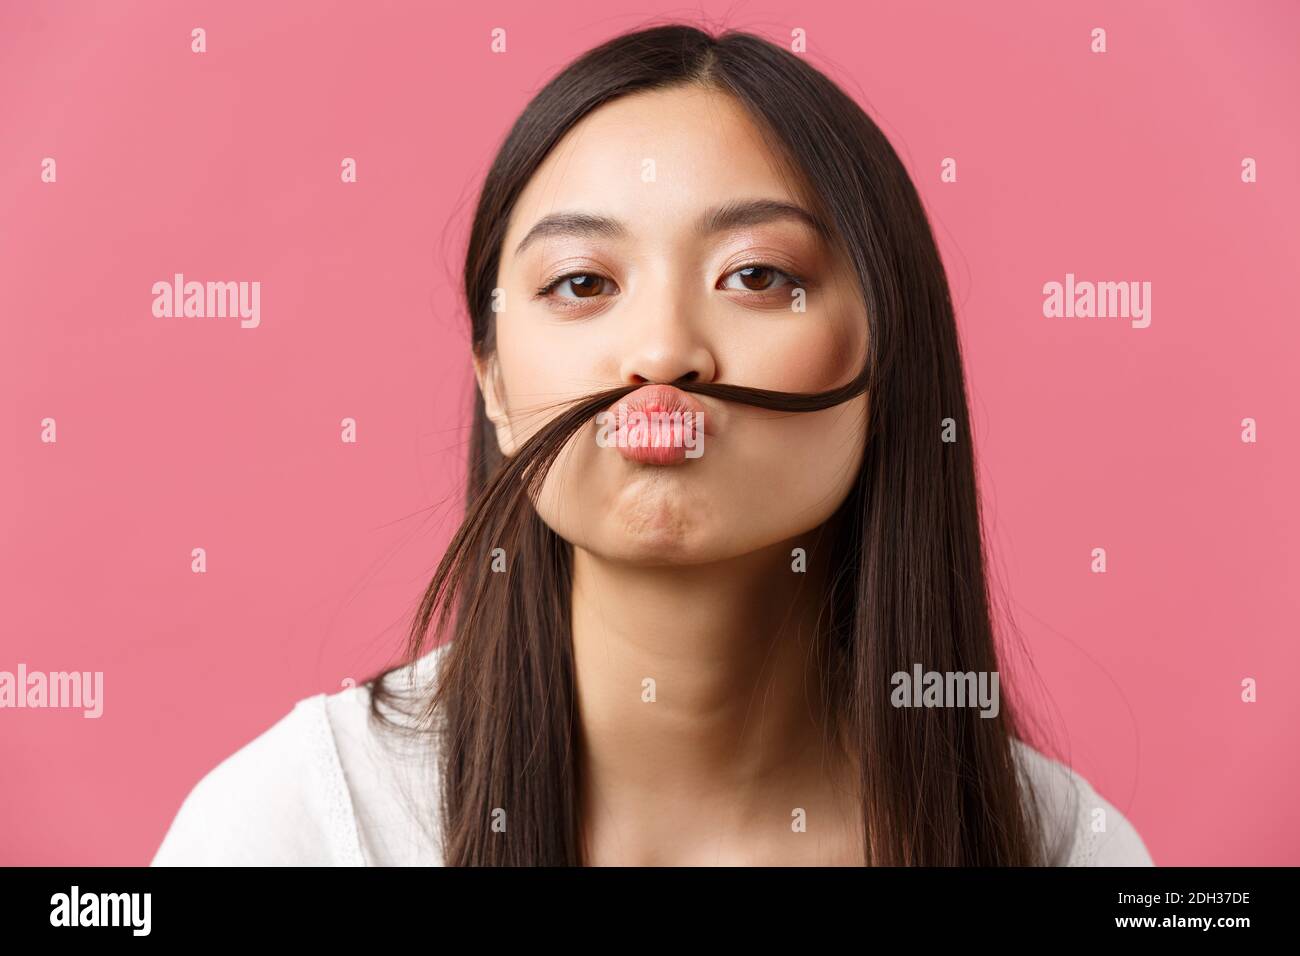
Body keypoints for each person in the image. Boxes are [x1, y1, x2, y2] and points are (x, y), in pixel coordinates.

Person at [153, 23, 1154, 867]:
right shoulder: (294, 828)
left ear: (891, 354)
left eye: (757, 274)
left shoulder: (1070, 849)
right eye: (583, 283)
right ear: (494, 380)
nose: (663, 351)